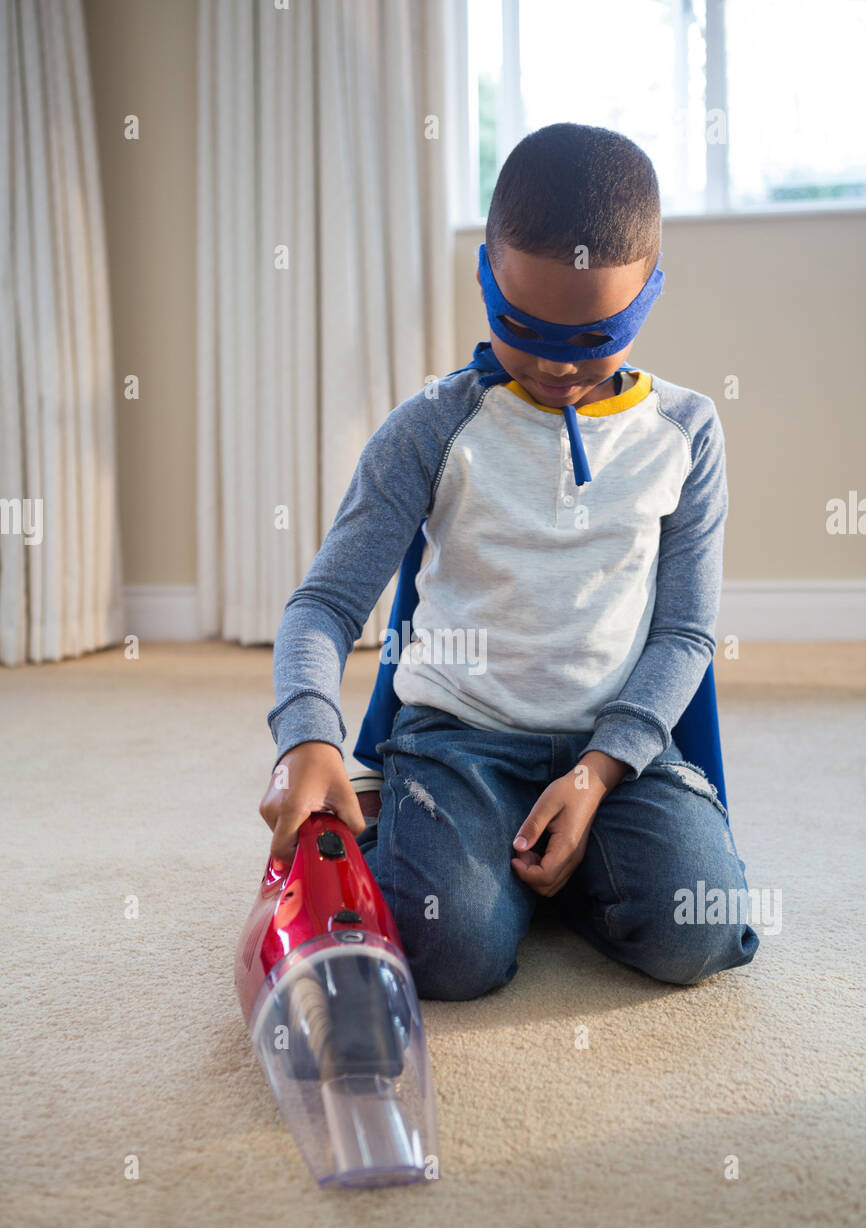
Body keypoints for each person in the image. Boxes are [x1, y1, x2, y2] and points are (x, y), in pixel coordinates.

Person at [259, 123, 759, 1000]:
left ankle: (548, 865)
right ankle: (454, 848)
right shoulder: (433, 426)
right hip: (462, 737)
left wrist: (600, 772)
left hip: (616, 746)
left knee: (703, 933)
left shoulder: (687, 434)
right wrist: (307, 737)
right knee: (452, 956)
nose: (558, 365)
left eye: (596, 335)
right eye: (523, 328)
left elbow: (684, 632)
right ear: (487, 273)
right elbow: (326, 604)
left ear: (650, 294)